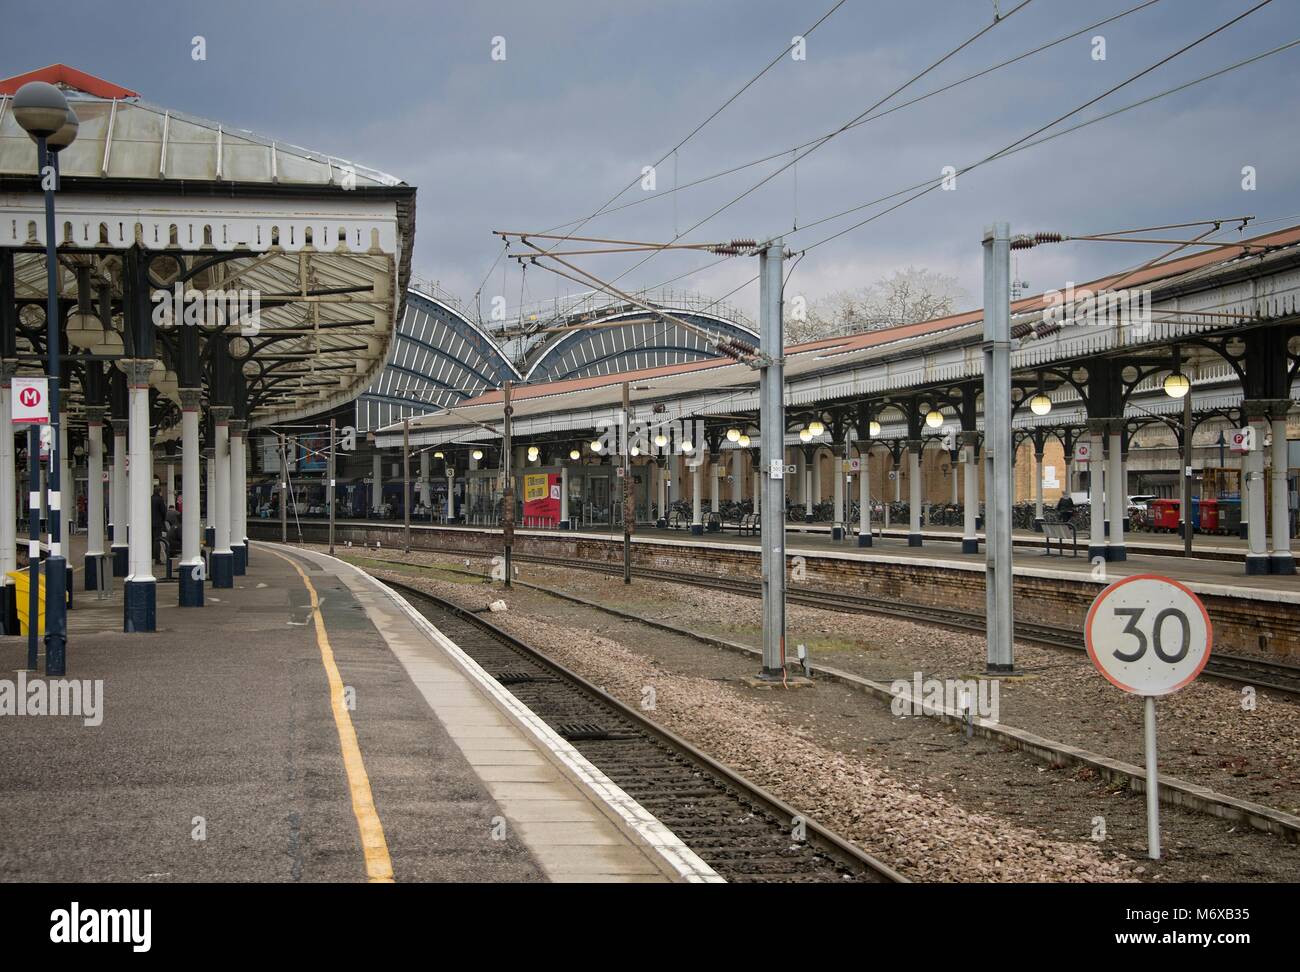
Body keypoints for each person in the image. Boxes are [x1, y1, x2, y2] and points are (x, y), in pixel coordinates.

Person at [151, 483, 166, 563]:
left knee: (151, 539)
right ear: (159, 492)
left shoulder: (150, 498)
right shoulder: (160, 499)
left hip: (149, 523)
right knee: (157, 540)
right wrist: (163, 519)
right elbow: (163, 511)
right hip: (157, 523)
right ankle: (157, 558)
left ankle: (151, 555)